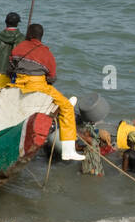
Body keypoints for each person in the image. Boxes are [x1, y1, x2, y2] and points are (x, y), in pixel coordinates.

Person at [8, 23, 84, 161]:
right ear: (41, 36)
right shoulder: (45, 52)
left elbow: (11, 65)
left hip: (18, 83)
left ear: (29, 34)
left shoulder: (19, 47)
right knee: (66, 106)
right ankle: (68, 151)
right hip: (36, 85)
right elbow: (52, 77)